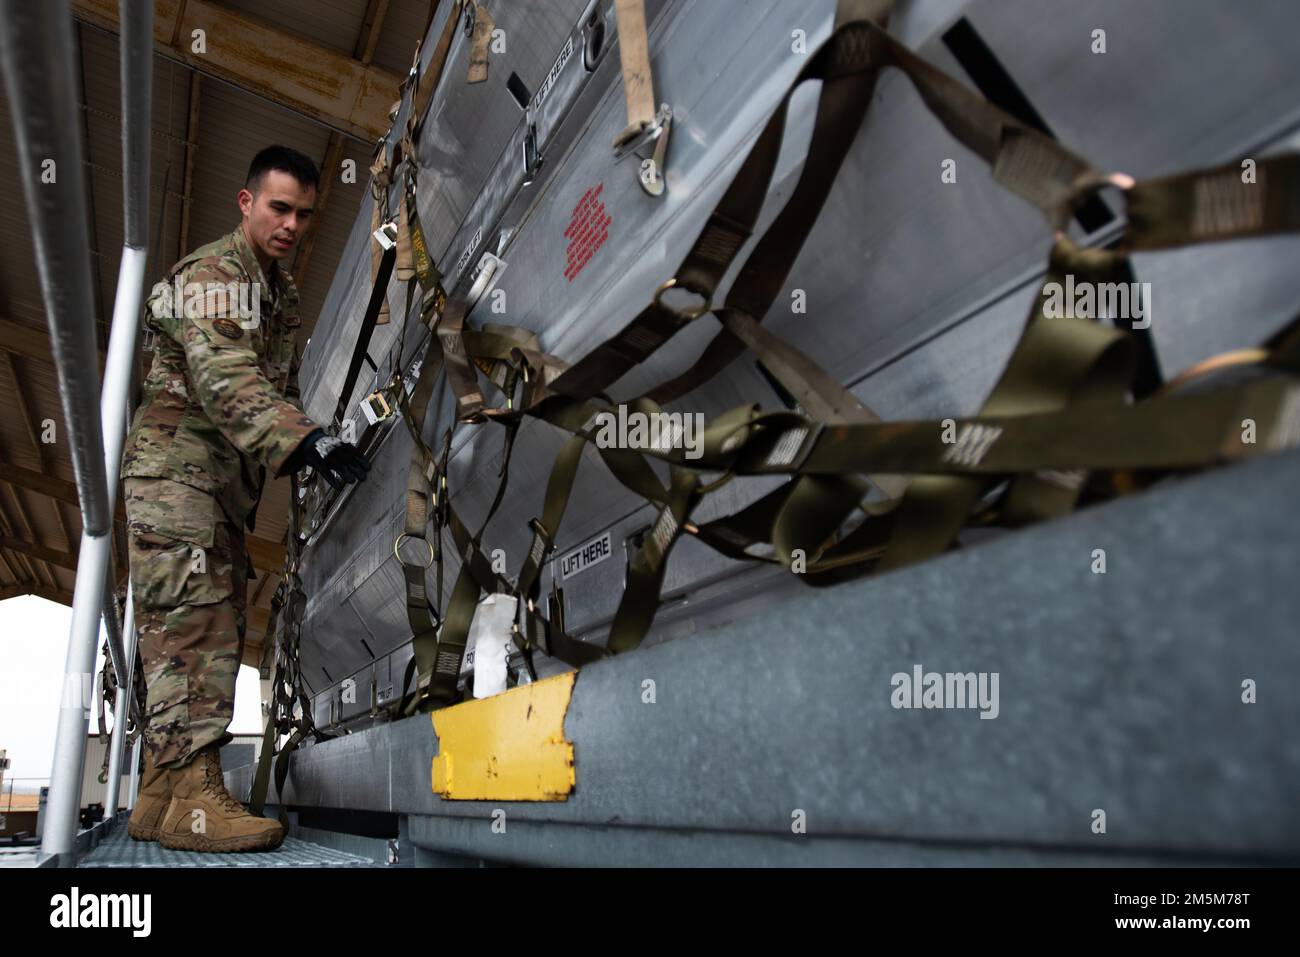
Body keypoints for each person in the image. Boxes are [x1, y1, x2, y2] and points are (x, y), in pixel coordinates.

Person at [121, 145, 369, 852]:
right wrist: (308, 442)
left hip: (216, 482)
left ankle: (162, 794)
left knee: (200, 617)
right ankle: (197, 798)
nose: (291, 224)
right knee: (198, 623)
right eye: (279, 207)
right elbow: (227, 380)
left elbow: (276, 389)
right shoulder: (215, 276)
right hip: (179, 472)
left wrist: (314, 441)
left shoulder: (278, 294)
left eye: (303, 213)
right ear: (246, 202)